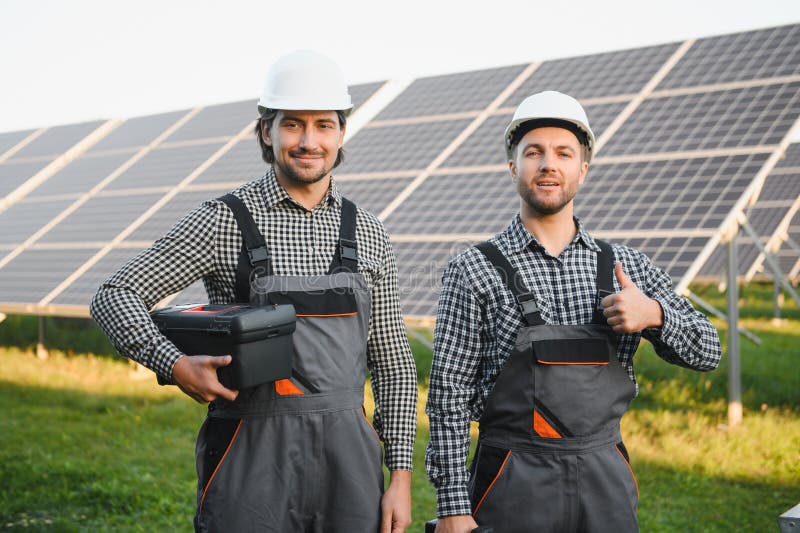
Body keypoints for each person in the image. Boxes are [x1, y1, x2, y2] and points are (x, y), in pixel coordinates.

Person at [91, 49, 416, 533]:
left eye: (324, 125)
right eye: (293, 125)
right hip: (250, 464)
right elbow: (114, 294)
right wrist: (174, 364)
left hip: (350, 469)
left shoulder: (368, 232)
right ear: (267, 130)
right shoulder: (224, 221)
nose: (309, 141)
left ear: (342, 132)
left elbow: (391, 358)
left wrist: (401, 478)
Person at [425, 90, 721, 533]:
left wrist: (656, 314)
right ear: (513, 167)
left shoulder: (626, 268)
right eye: (534, 153)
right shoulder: (473, 270)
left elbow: (709, 351)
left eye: (564, 153)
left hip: (605, 483)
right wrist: (452, 506)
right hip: (510, 482)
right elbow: (447, 397)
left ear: (582, 169)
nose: (549, 164)